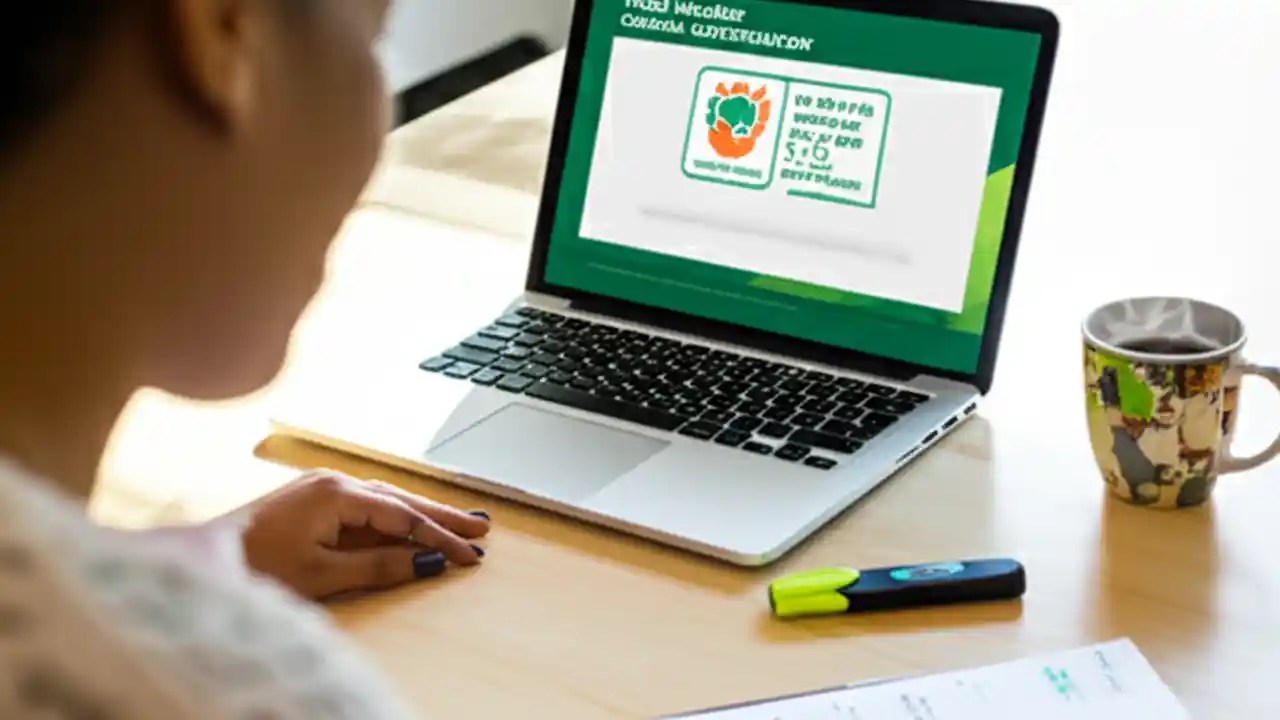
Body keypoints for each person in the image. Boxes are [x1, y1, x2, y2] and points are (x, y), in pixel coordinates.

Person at [0, 1, 487, 717]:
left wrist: (176, 567)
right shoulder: (219, 693)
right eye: (372, 33)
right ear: (221, 26)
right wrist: (182, 625)